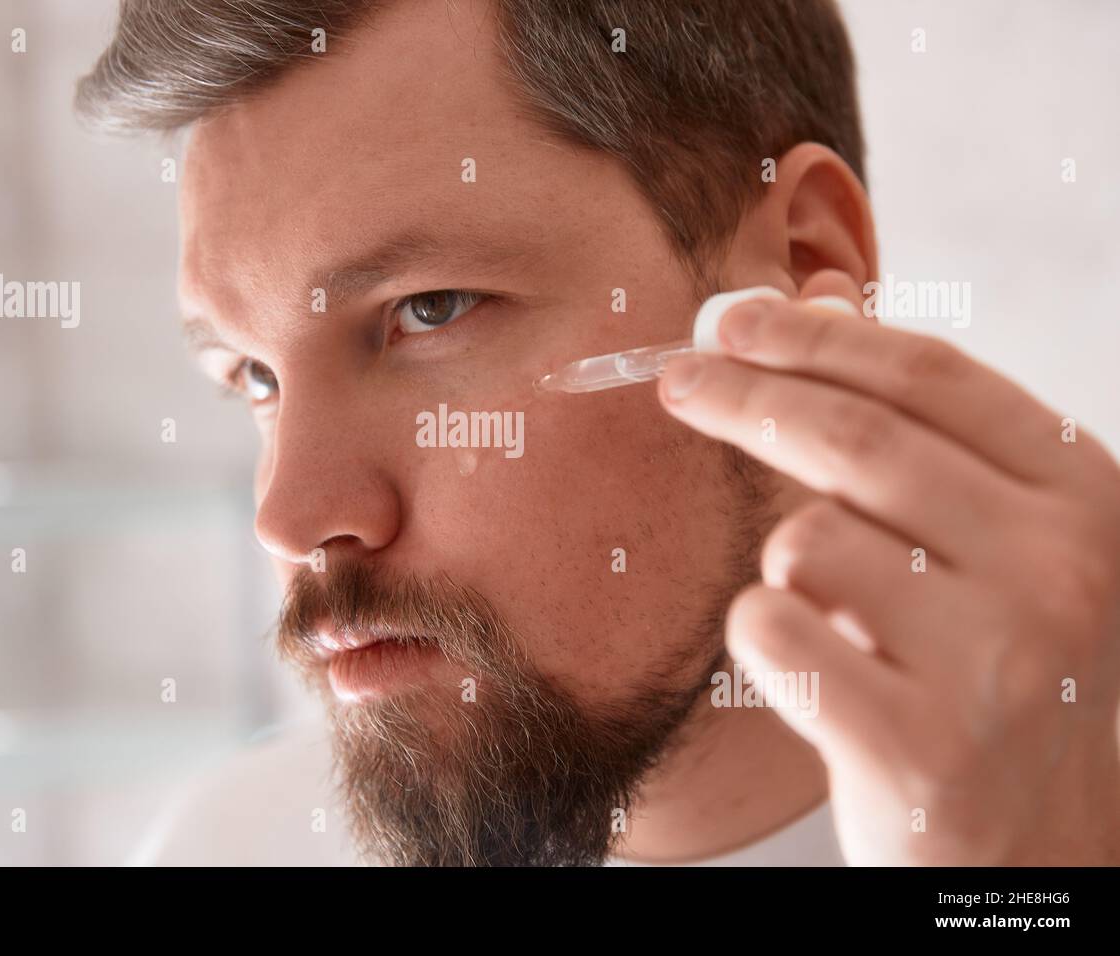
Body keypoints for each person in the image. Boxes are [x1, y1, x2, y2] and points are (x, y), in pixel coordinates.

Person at [78, 0, 1120, 866]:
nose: (290, 516)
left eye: (431, 308)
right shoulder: (221, 846)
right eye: (249, 373)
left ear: (800, 262)